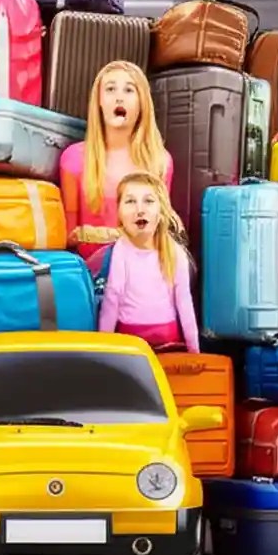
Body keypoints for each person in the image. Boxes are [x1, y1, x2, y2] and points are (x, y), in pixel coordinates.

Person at [59, 60, 174, 262]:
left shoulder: (160, 161)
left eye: (129, 90)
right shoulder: (73, 159)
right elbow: (68, 238)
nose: (119, 97)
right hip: (90, 276)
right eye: (110, 89)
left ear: (142, 102)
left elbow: (159, 232)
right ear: (99, 101)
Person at [96, 172, 199, 354]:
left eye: (148, 201)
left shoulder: (174, 251)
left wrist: (194, 351)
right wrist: (104, 350)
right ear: (119, 213)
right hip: (130, 341)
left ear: (161, 212)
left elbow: (184, 302)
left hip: (168, 340)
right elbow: (112, 299)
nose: (139, 209)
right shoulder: (120, 250)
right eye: (130, 201)